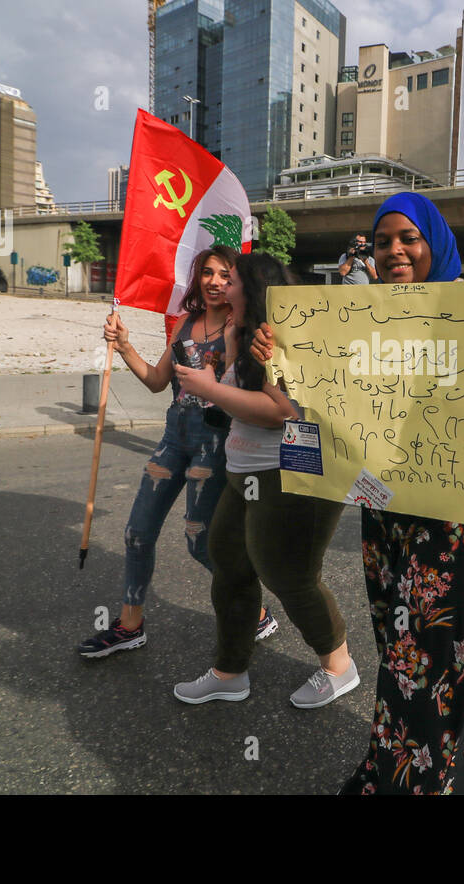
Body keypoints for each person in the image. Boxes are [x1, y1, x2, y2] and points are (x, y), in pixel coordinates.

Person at [252, 192, 464, 793]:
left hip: (461, 522)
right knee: (402, 651)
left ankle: (443, 772)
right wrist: (279, 367)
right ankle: (403, 763)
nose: (394, 250)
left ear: (434, 244)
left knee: (460, 650)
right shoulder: (358, 323)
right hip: (388, 517)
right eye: (382, 240)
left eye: (407, 238)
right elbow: (310, 416)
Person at [171, 252, 359, 709]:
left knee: (287, 574)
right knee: (229, 562)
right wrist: (217, 381)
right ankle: (229, 672)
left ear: (251, 288)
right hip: (244, 472)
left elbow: (282, 413)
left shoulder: (275, 336)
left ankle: (339, 665)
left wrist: (209, 388)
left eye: (230, 280)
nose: (220, 286)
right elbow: (241, 400)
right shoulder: (239, 331)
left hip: (289, 473)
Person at [77, 246, 278, 658]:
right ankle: (130, 625)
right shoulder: (185, 324)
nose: (216, 282)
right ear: (197, 277)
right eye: (208, 273)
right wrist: (125, 344)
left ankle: (255, 610)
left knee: (199, 543)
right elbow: (156, 381)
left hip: (215, 446)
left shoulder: (243, 328)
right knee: (136, 532)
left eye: (226, 275)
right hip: (173, 440)